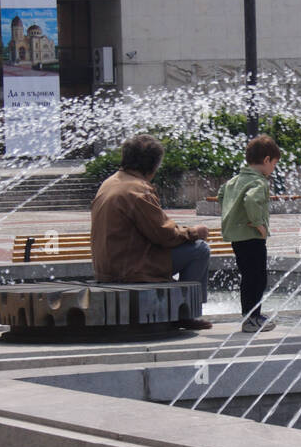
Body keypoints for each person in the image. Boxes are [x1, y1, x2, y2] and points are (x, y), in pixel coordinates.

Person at [90, 133, 213, 330]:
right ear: (154, 165)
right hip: (130, 269)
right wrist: (194, 232)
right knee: (200, 249)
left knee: (184, 248)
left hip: (107, 267)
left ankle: (175, 303)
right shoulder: (138, 190)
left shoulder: (110, 182)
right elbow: (165, 235)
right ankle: (186, 312)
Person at [219, 134, 281, 333]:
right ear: (266, 160)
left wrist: (233, 214)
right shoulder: (259, 182)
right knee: (258, 278)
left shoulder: (235, 180)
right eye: (274, 164)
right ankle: (253, 318)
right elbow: (252, 201)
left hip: (237, 237)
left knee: (247, 276)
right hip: (252, 236)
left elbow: (221, 194)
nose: (273, 169)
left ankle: (249, 316)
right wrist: (259, 224)